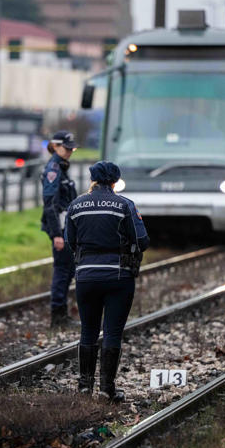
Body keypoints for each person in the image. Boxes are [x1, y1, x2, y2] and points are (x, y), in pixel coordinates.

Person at [64, 161, 149, 402]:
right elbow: (142, 240)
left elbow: (70, 241)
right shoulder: (124, 205)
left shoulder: (75, 206)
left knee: (88, 330)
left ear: (92, 179)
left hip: (86, 277)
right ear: (114, 181)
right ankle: (106, 389)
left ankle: (84, 388)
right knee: (112, 332)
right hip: (118, 277)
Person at [41, 130, 79, 327]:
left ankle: (61, 314)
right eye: (67, 147)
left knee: (68, 269)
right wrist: (57, 234)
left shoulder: (62, 167)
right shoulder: (54, 169)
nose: (71, 151)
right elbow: (50, 204)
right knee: (63, 270)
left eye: (72, 148)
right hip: (60, 228)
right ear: (55, 146)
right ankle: (58, 316)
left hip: (65, 227)